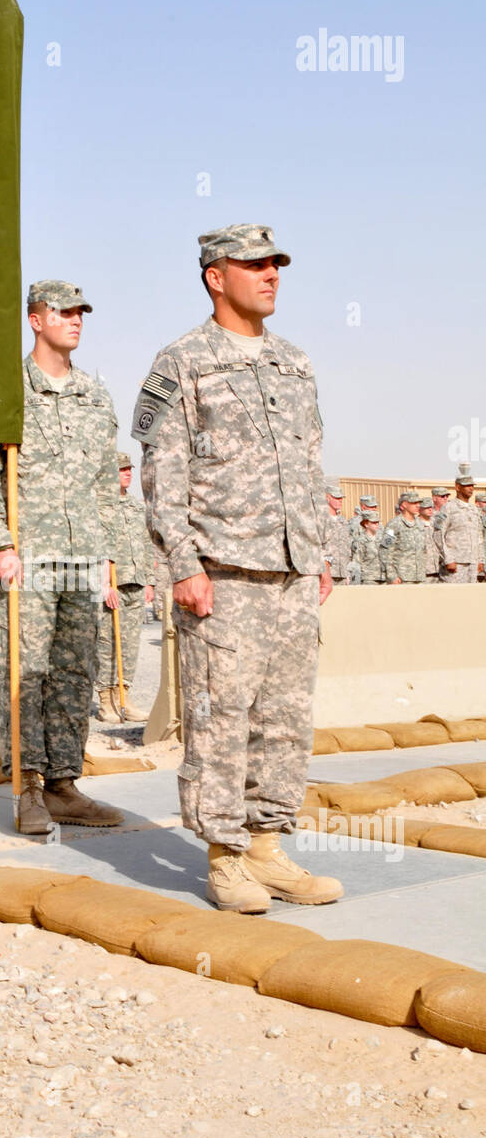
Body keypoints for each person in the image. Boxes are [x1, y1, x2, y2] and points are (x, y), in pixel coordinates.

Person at [132, 223, 342, 913]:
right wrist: (183, 564)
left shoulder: (294, 362)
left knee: (284, 720)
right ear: (214, 276)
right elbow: (162, 473)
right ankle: (223, 859)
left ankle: (266, 849)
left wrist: (319, 554)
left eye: (275, 263)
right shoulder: (182, 361)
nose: (270, 274)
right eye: (253, 265)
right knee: (221, 718)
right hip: (221, 572)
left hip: (289, 570)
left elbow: (309, 465)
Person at [0, 278, 122, 835]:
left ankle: (62, 784)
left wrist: (110, 557)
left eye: (82, 312)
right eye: (64, 312)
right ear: (35, 319)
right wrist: (0, 543)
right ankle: (27, 785)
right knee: (24, 674)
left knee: (76, 673)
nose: (76, 320)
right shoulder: (5, 390)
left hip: (83, 559)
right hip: (27, 559)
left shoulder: (95, 396)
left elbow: (107, 484)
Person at [96, 451, 154, 722]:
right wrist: (104, 583)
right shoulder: (100, 507)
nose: (128, 473)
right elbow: (96, 548)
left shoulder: (134, 506)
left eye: (129, 468)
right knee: (107, 643)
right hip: (112, 584)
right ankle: (106, 701)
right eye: (122, 469)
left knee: (130, 646)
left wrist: (150, 582)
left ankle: (124, 698)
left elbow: (145, 543)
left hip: (135, 581)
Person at [436, 473, 483, 583]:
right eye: (467, 485)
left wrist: (481, 560)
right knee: (452, 597)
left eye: (472, 485)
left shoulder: (474, 510)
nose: (471, 488)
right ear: (457, 487)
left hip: (472, 563)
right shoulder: (448, 508)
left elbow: (479, 537)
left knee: (470, 597)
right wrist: (448, 559)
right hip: (455, 564)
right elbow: (438, 535)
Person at [379, 491, 426, 583]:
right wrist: (392, 575)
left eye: (418, 503)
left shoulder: (420, 524)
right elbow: (385, 550)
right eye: (414, 503)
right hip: (402, 577)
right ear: (404, 505)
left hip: (419, 577)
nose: (418, 506)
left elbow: (423, 550)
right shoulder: (393, 525)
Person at [323, 478, 351, 585]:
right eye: (336, 498)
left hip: (342, 573)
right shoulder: (322, 520)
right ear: (327, 498)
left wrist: (347, 573)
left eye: (341, 498)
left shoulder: (343, 522)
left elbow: (347, 549)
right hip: (327, 572)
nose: (339, 501)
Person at [350, 509, 383, 583]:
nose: (377, 524)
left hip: (383, 578)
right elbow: (356, 562)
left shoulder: (382, 539)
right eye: (374, 522)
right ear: (366, 524)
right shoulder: (361, 541)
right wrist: (355, 581)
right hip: (368, 579)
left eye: (378, 522)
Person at [418, 498, 441, 582]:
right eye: (427, 507)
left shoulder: (436, 524)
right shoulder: (415, 525)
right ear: (420, 509)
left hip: (439, 569)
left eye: (431, 507)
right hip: (423, 571)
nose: (430, 509)